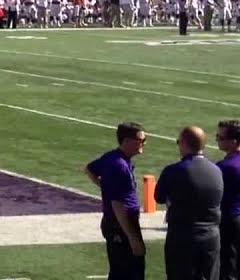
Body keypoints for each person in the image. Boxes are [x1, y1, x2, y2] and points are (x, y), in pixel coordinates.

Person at [155, 126, 224, 280]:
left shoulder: (174, 170)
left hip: (183, 235)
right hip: (211, 235)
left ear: (184, 143)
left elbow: (159, 197)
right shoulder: (216, 170)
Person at [86, 121, 147, 280]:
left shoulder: (112, 157)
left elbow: (89, 169)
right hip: (120, 224)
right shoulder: (119, 165)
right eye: (141, 140)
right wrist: (132, 237)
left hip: (115, 223)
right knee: (129, 271)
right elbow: (118, 204)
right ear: (127, 141)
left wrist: (105, 188)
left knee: (120, 270)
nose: (144, 144)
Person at [218, 120, 240, 280]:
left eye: (220, 137)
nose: (217, 140)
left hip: (229, 220)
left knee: (227, 268)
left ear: (234, 141)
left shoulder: (225, 166)